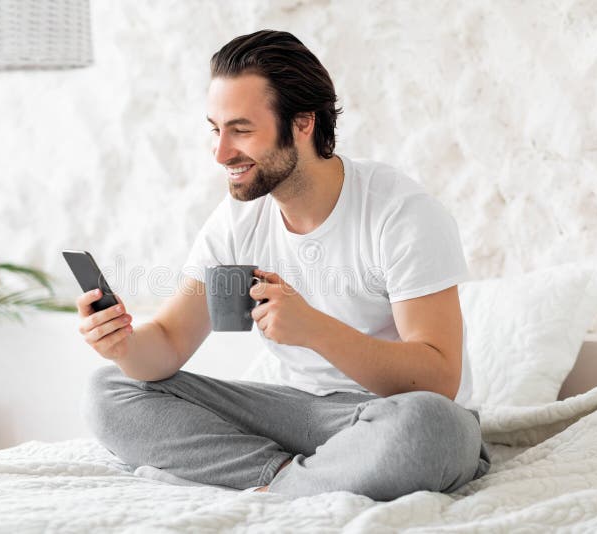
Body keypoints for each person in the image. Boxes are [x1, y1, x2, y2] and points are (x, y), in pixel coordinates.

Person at [77, 29, 491, 500]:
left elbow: (438, 378)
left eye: (241, 130)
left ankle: (284, 482)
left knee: (429, 427)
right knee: (111, 390)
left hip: (392, 414)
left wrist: (313, 328)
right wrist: (121, 342)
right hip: (296, 415)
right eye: (216, 129)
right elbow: (169, 344)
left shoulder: (399, 213)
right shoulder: (237, 221)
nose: (220, 153)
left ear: (302, 123)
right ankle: (284, 479)